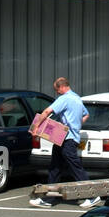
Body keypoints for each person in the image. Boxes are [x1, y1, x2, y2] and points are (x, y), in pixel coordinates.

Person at [30, 77, 98, 207]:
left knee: (75, 167)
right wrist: (76, 125)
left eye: (57, 90)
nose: (57, 93)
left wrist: (36, 127)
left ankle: (92, 196)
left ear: (62, 87)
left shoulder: (64, 99)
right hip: (64, 138)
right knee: (54, 168)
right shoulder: (77, 98)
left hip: (68, 139)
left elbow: (47, 111)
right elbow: (86, 114)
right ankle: (48, 199)